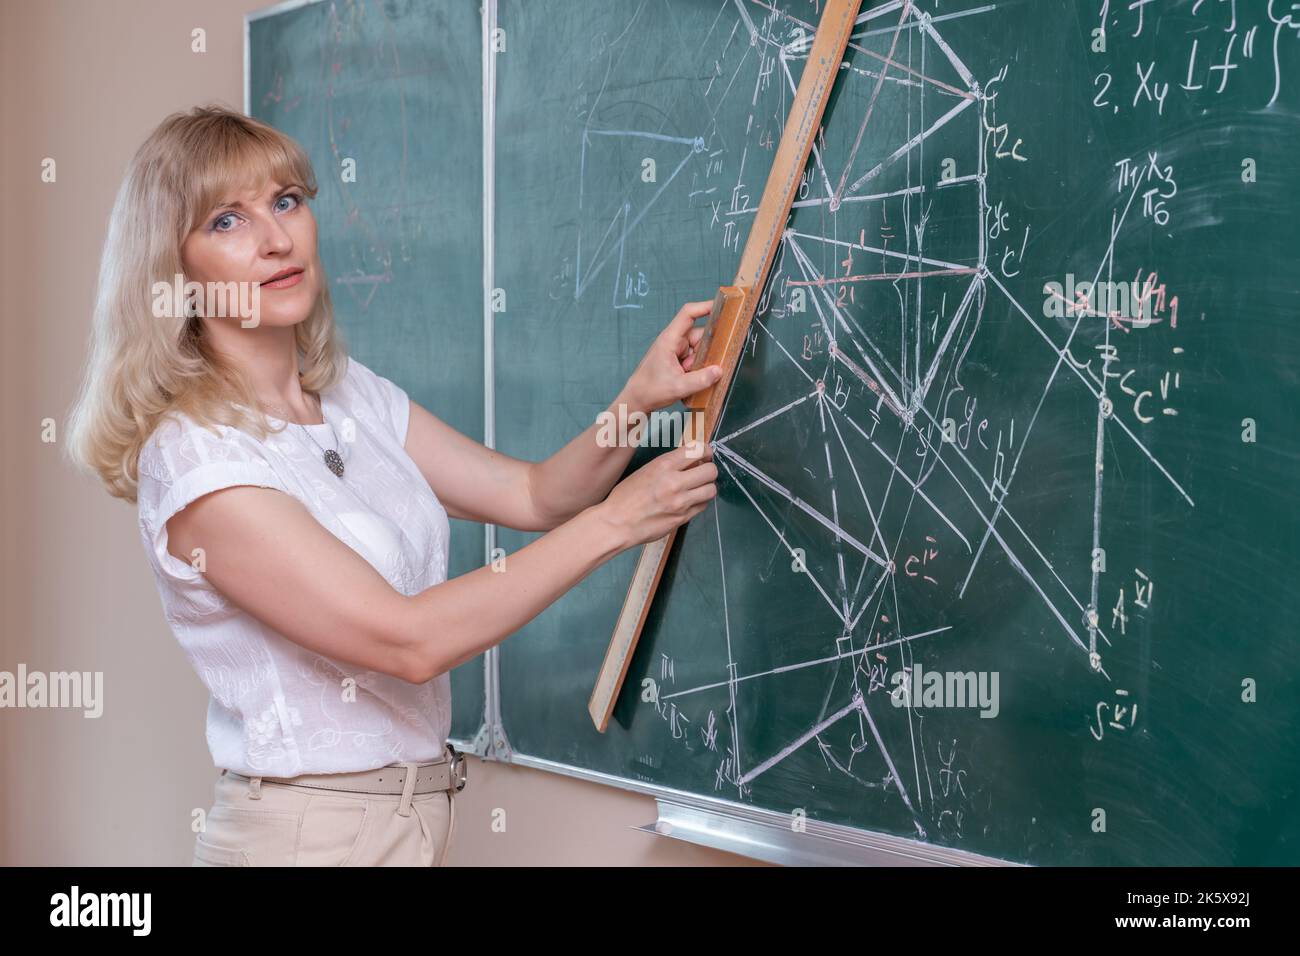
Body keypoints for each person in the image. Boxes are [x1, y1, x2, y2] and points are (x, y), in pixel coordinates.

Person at [65, 104, 721, 866]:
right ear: (171, 273)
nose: (277, 238)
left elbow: (536, 496)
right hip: (306, 841)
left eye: (286, 201)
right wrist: (616, 524)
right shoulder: (197, 461)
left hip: (409, 821)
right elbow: (407, 641)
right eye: (226, 221)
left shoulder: (350, 395)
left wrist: (634, 406)